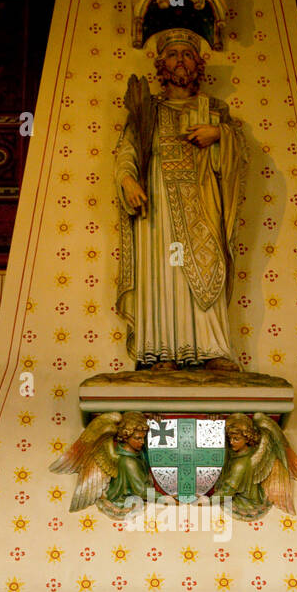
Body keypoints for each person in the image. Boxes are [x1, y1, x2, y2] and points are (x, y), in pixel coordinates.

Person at [114, 28, 246, 372]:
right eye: (173, 54)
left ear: (198, 64)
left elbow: (239, 152)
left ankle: (212, 349)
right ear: (162, 64)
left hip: (202, 200)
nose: (180, 61)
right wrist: (128, 180)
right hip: (156, 205)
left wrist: (219, 134)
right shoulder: (146, 110)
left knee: (206, 268)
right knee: (161, 274)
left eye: (187, 54)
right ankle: (160, 353)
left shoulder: (213, 109)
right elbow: (126, 150)